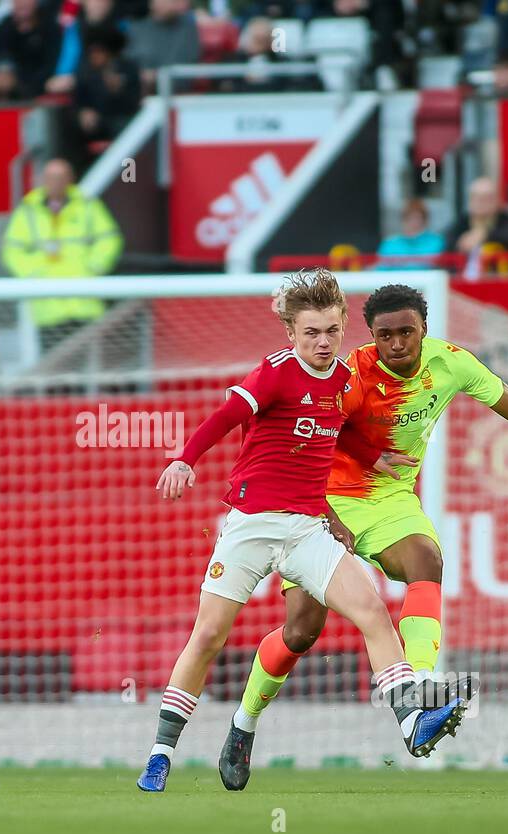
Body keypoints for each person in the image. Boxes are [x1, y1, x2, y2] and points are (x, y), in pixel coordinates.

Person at [224, 284, 508, 789]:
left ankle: (415, 688)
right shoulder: (346, 375)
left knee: (426, 560)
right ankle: (243, 725)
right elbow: (299, 443)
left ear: (424, 330)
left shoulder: (453, 364)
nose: (396, 344)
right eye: (384, 335)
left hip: (391, 500)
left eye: (406, 332)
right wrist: (327, 515)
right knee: (302, 633)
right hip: (322, 496)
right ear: (370, 336)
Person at [136, 270, 467, 794]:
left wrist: (374, 457)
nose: (322, 342)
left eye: (332, 331)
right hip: (250, 526)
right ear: (291, 333)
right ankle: (161, 753)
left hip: (307, 529)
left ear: (341, 328)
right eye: (311, 332)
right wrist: (184, 459)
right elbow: (224, 417)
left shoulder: (344, 382)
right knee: (209, 636)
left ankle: (410, 722)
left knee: (374, 614)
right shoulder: (273, 373)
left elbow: (340, 433)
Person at [0, 157, 123, 352]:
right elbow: (11, 250)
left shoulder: (87, 204)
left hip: (84, 303)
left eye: (60, 177)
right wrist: (34, 272)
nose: (55, 182)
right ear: (42, 180)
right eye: (50, 177)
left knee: (88, 366)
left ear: (70, 179)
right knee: (54, 369)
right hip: (48, 306)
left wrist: (93, 267)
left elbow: (109, 239)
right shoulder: (29, 209)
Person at [376, 199, 444, 264]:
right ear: (403, 220)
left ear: (425, 221)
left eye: (417, 218)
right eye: (409, 218)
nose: (413, 223)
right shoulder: (389, 244)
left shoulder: (435, 242)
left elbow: (428, 265)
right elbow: (380, 268)